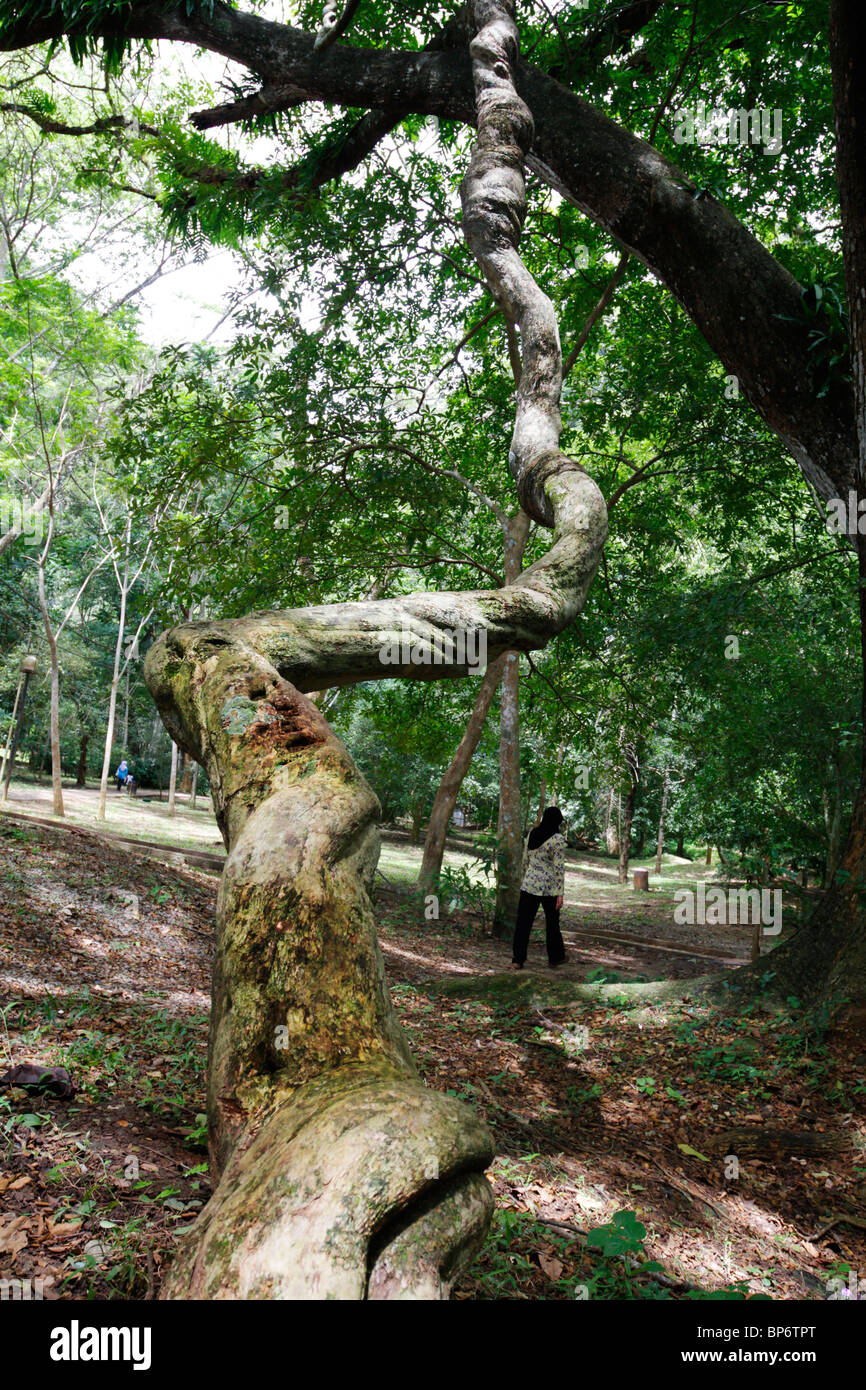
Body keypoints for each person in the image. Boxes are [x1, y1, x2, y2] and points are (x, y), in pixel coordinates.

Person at [512, 805, 567, 969]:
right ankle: (555, 958)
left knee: (523, 922)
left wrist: (525, 879)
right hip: (549, 888)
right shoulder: (558, 839)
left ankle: (518, 959)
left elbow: (525, 860)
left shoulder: (532, 833)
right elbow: (559, 868)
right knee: (552, 923)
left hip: (529, 885)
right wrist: (560, 893)